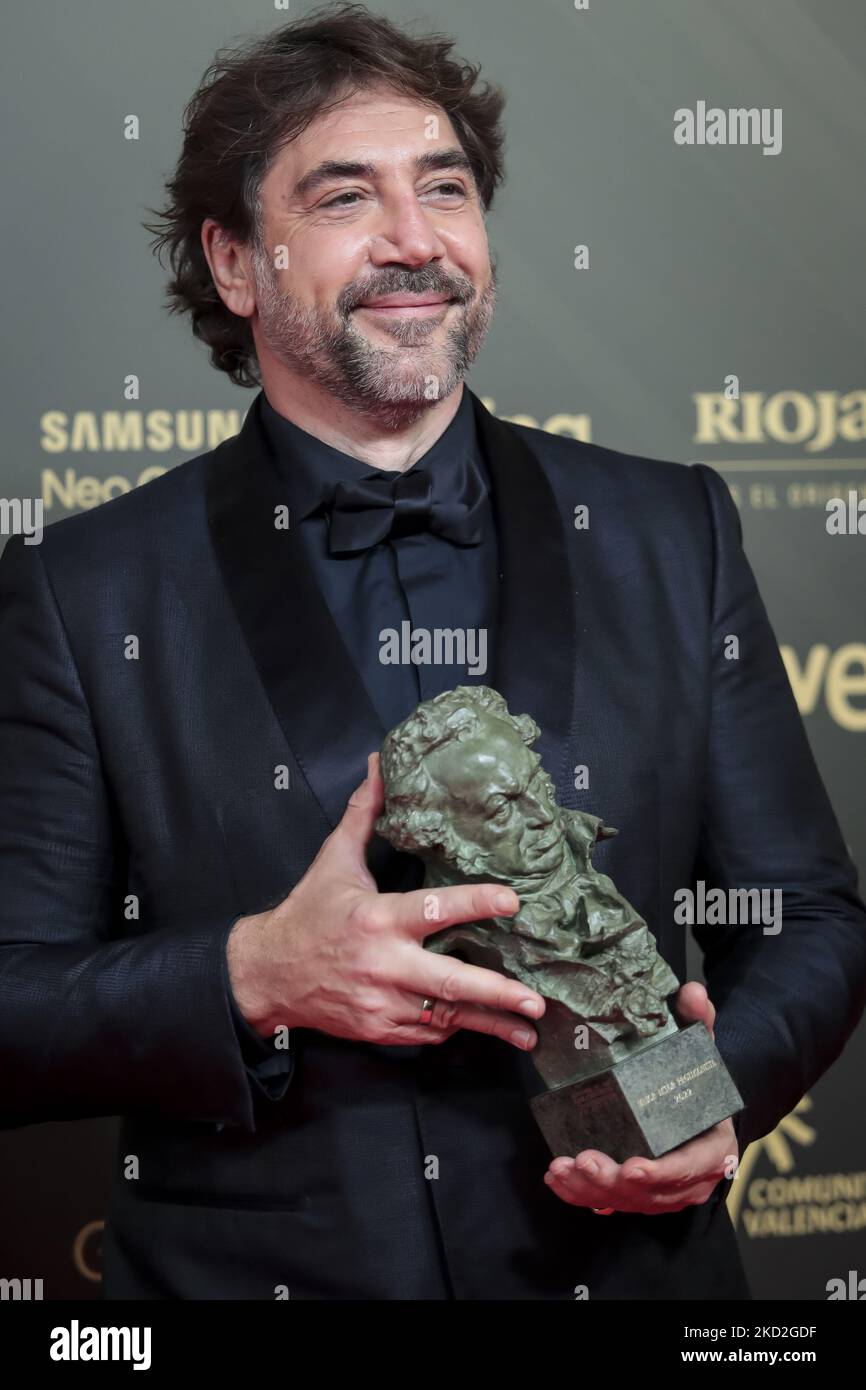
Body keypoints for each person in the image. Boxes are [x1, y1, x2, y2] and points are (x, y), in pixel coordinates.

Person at [2, 3, 865, 1300]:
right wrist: (251, 972)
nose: (415, 240)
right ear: (235, 263)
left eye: (445, 188)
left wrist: (691, 1099)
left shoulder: (665, 527)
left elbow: (804, 918)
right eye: (347, 196)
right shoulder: (84, 588)